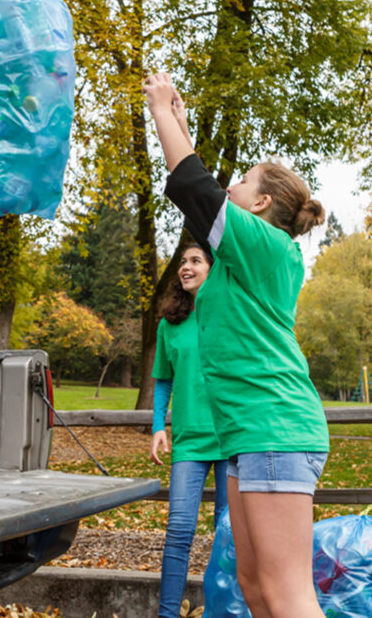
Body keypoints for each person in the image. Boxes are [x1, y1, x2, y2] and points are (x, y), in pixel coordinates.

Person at [142, 72, 329, 618]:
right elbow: (199, 188)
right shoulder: (240, 255)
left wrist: (158, 114)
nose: (232, 185)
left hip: (276, 427)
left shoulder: (265, 244)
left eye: (243, 181)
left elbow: (194, 188)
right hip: (248, 435)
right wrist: (178, 118)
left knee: (287, 594)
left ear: (262, 202)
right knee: (253, 586)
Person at [150, 243, 228, 618]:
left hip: (232, 438)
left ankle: (221, 610)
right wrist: (157, 427)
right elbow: (163, 380)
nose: (186, 267)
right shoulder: (169, 324)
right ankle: (168, 614)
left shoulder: (231, 314)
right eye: (183, 261)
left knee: (227, 534)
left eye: (195, 261)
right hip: (188, 440)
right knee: (179, 531)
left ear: (213, 269)